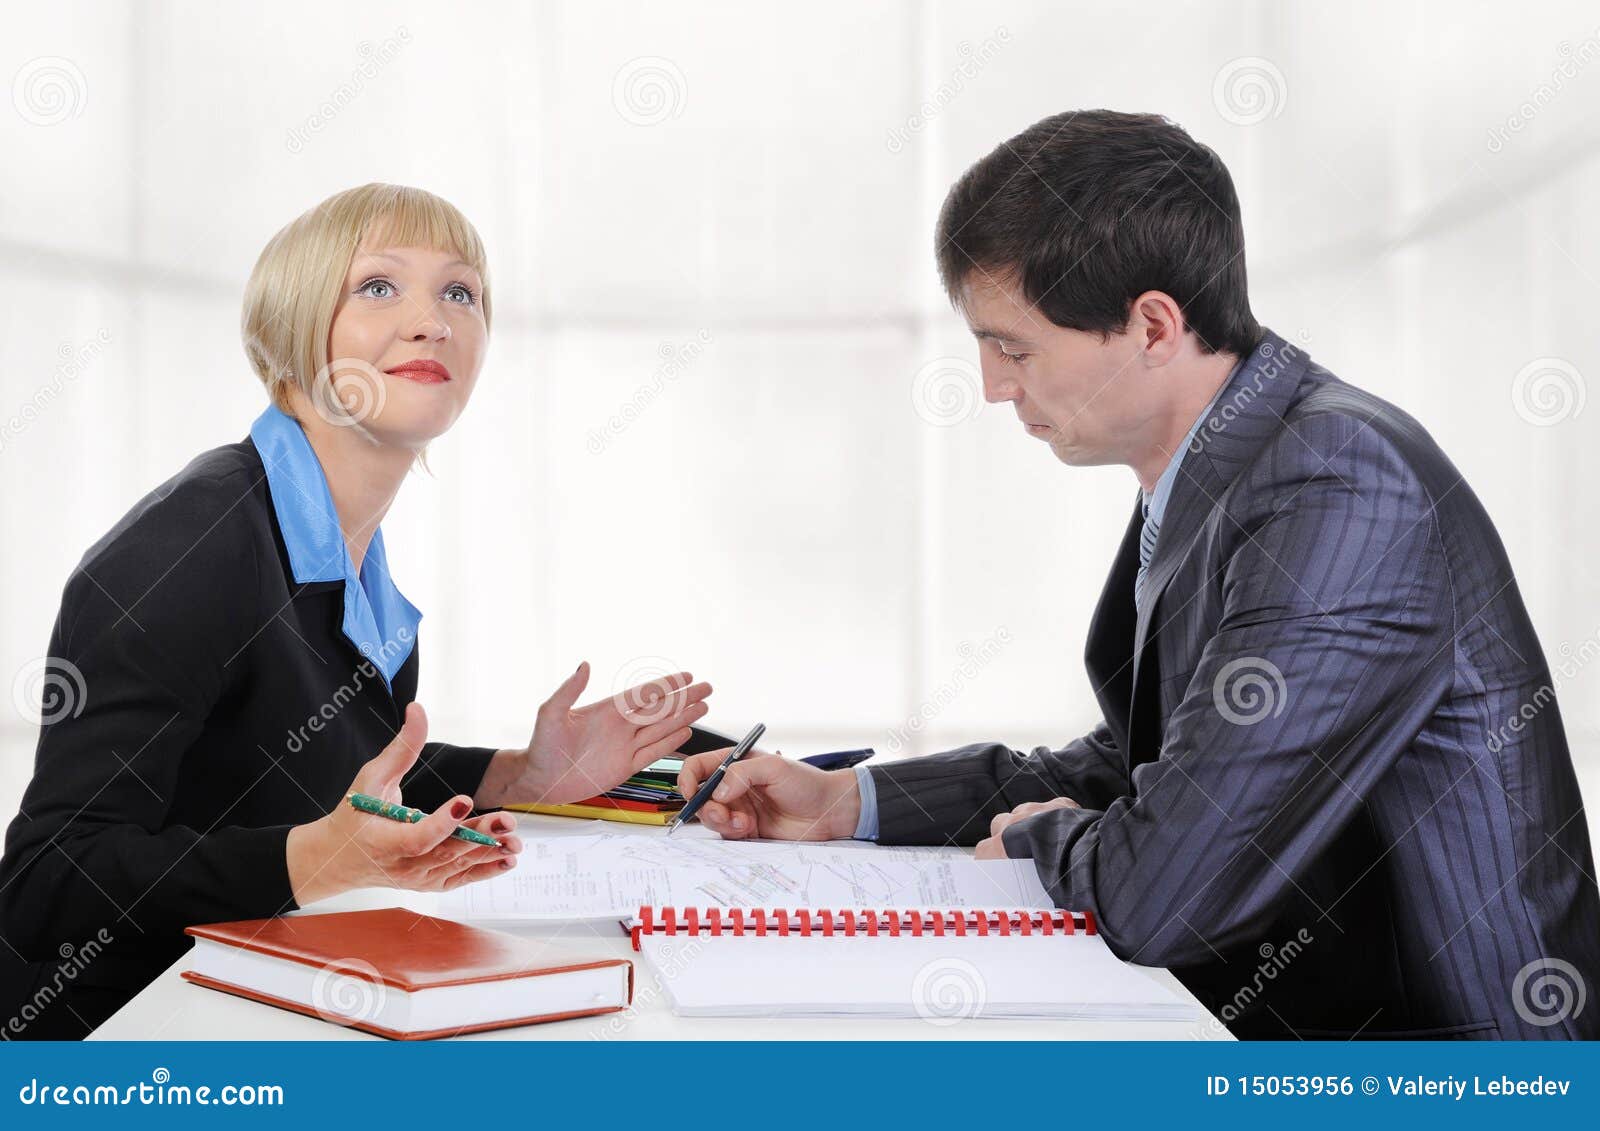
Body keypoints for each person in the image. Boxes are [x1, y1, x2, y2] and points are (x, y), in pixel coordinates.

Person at [679, 110, 1600, 1040]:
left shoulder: (1341, 485)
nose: (995, 385)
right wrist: (851, 800)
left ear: (1152, 324)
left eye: (1015, 346)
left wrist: (1036, 840)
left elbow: (1169, 890)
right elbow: (1140, 762)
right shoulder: (1238, 462)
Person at [0, 183, 711, 1038]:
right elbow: (42, 882)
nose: (432, 320)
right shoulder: (195, 544)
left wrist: (522, 775)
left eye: (461, 292)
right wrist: (318, 858)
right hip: (114, 1037)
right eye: (379, 286)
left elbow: (312, 768)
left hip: (249, 1003)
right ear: (296, 327)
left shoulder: (348, 545)